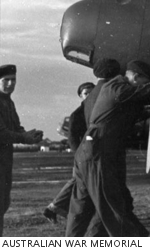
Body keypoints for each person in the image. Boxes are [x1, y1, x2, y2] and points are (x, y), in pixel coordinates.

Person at [66, 58, 150, 237]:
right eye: (145, 81)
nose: (147, 85)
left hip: (89, 153)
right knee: (111, 205)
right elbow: (149, 91)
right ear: (136, 77)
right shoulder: (118, 88)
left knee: (82, 207)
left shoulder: (119, 89)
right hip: (98, 154)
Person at [42, 81, 95, 224]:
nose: (89, 95)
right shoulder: (77, 114)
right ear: (80, 96)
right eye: (86, 93)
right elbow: (72, 137)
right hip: (83, 155)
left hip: (94, 154)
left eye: (92, 92)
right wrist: (79, 155)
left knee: (79, 181)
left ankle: (55, 208)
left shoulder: (98, 110)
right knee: (79, 181)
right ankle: (56, 208)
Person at [0, 64, 44, 237]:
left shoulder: (8, 102)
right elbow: (1, 133)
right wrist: (24, 138)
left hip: (4, 162)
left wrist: (29, 134)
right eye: (6, 80)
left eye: (13, 80)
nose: (10, 84)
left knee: (3, 203)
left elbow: (16, 128)